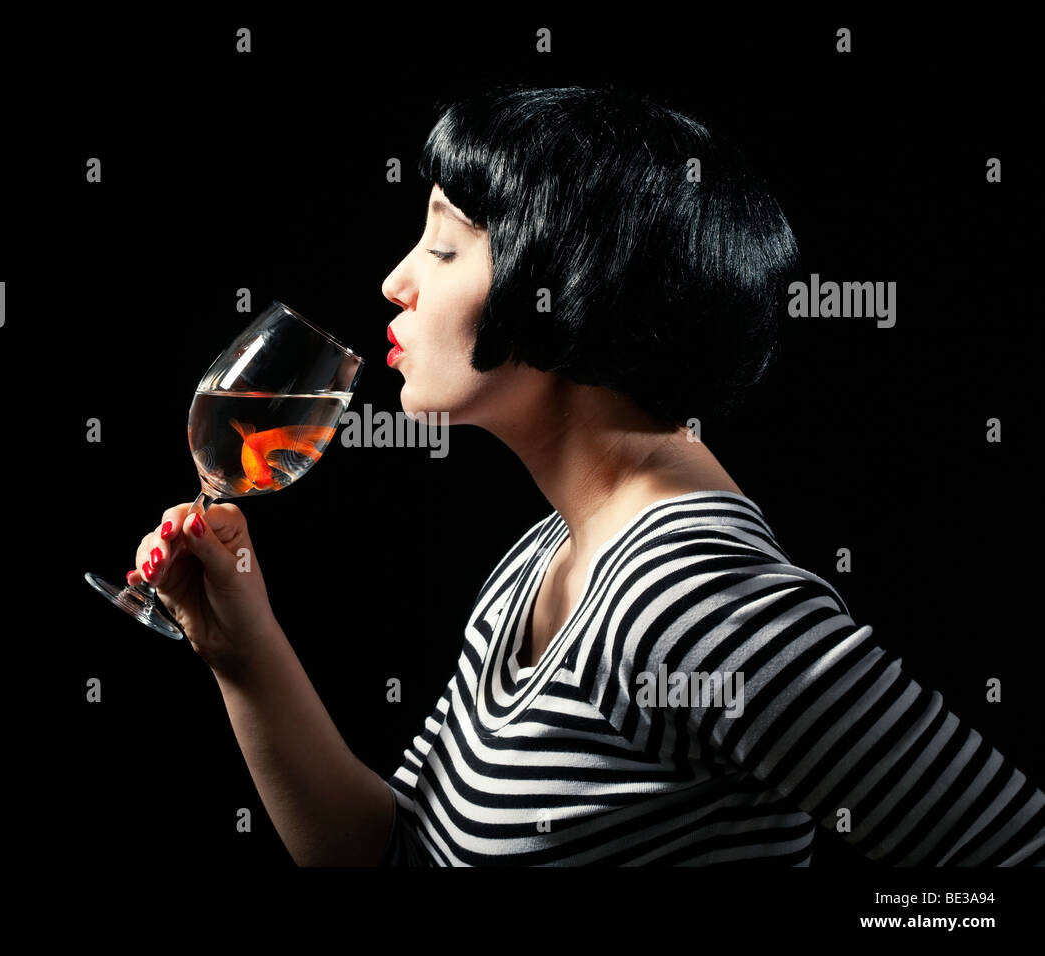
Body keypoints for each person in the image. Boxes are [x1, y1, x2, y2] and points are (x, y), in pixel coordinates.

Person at [125, 84, 1045, 866]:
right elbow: (395, 852)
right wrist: (240, 652)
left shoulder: (689, 601)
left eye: (445, 247)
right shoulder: (551, 555)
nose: (398, 281)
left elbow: (1003, 856)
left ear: (567, 280)